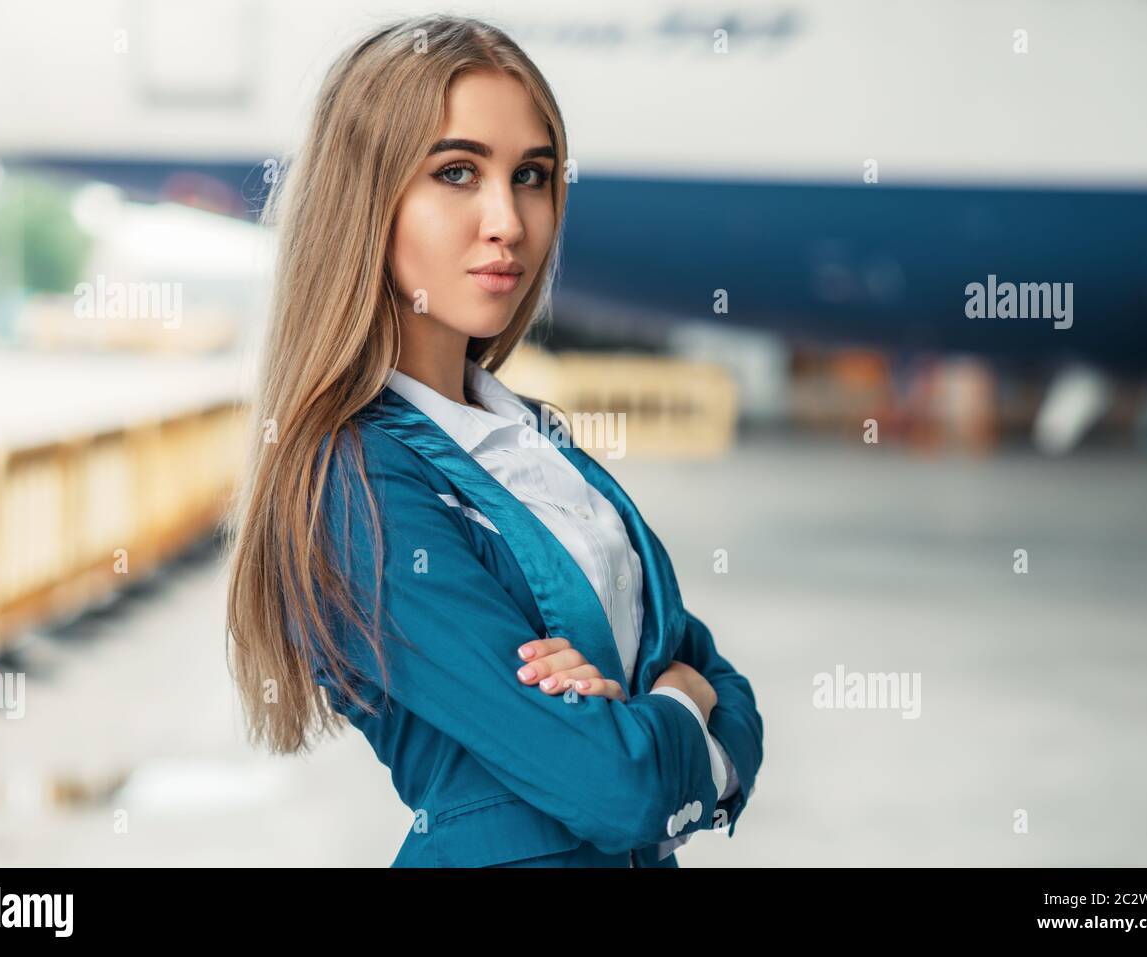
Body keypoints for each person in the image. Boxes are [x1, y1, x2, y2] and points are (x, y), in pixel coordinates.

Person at [225, 14, 763, 867]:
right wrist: (680, 707)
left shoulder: (533, 436)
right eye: (457, 172)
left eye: (534, 176)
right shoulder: (352, 482)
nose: (507, 220)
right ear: (367, 198)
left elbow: (717, 674)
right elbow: (618, 789)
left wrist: (664, 707)